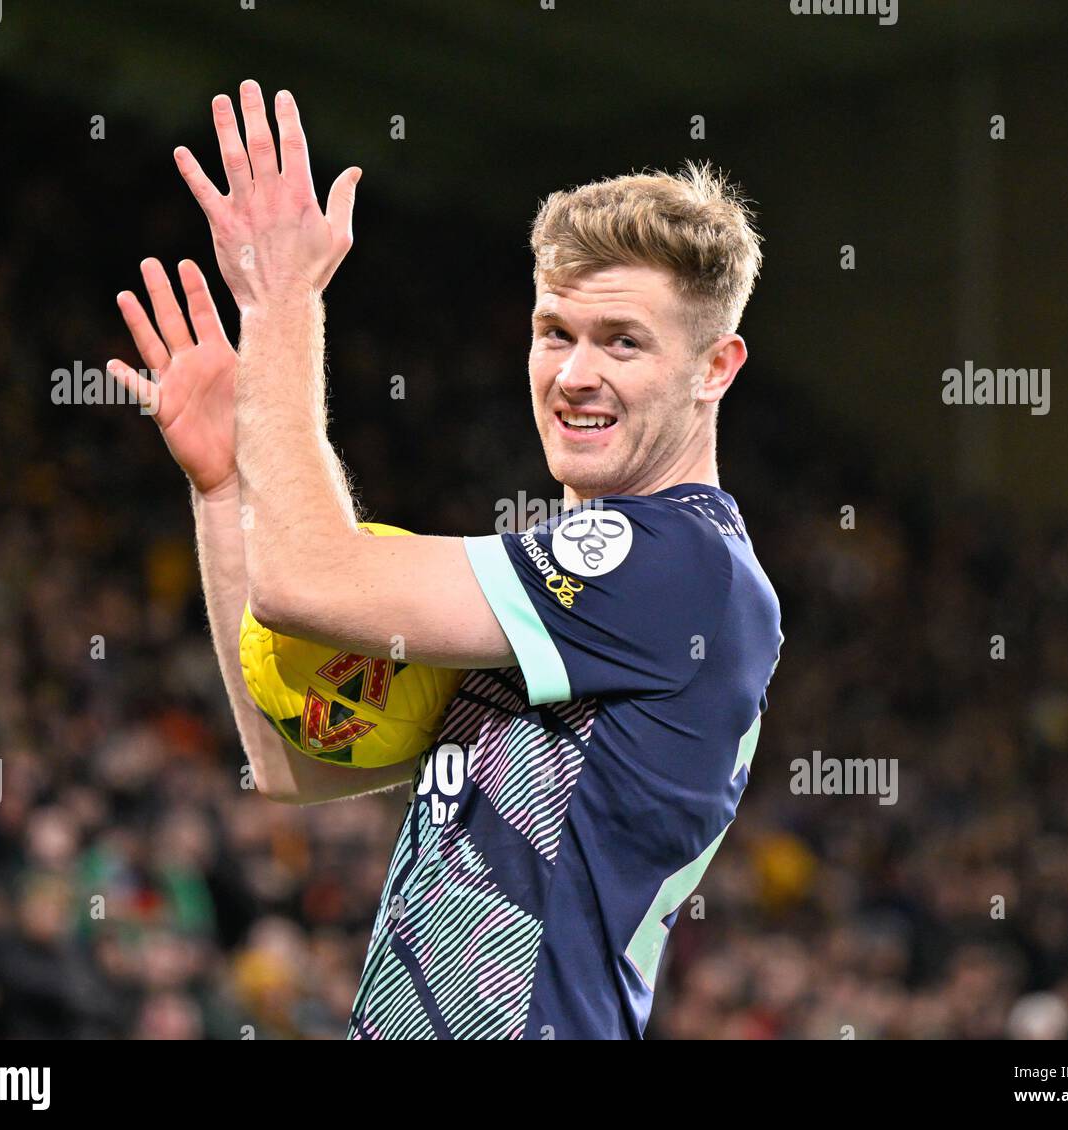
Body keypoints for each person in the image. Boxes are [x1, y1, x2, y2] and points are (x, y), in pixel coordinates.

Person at [108, 80, 782, 1039]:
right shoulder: (565, 603)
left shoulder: (671, 562)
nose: (576, 373)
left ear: (716, 366)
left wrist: (282, 301)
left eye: (624, 342)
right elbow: (288, 763)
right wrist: (226, 491)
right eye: (556, 332)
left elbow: (311, 580)